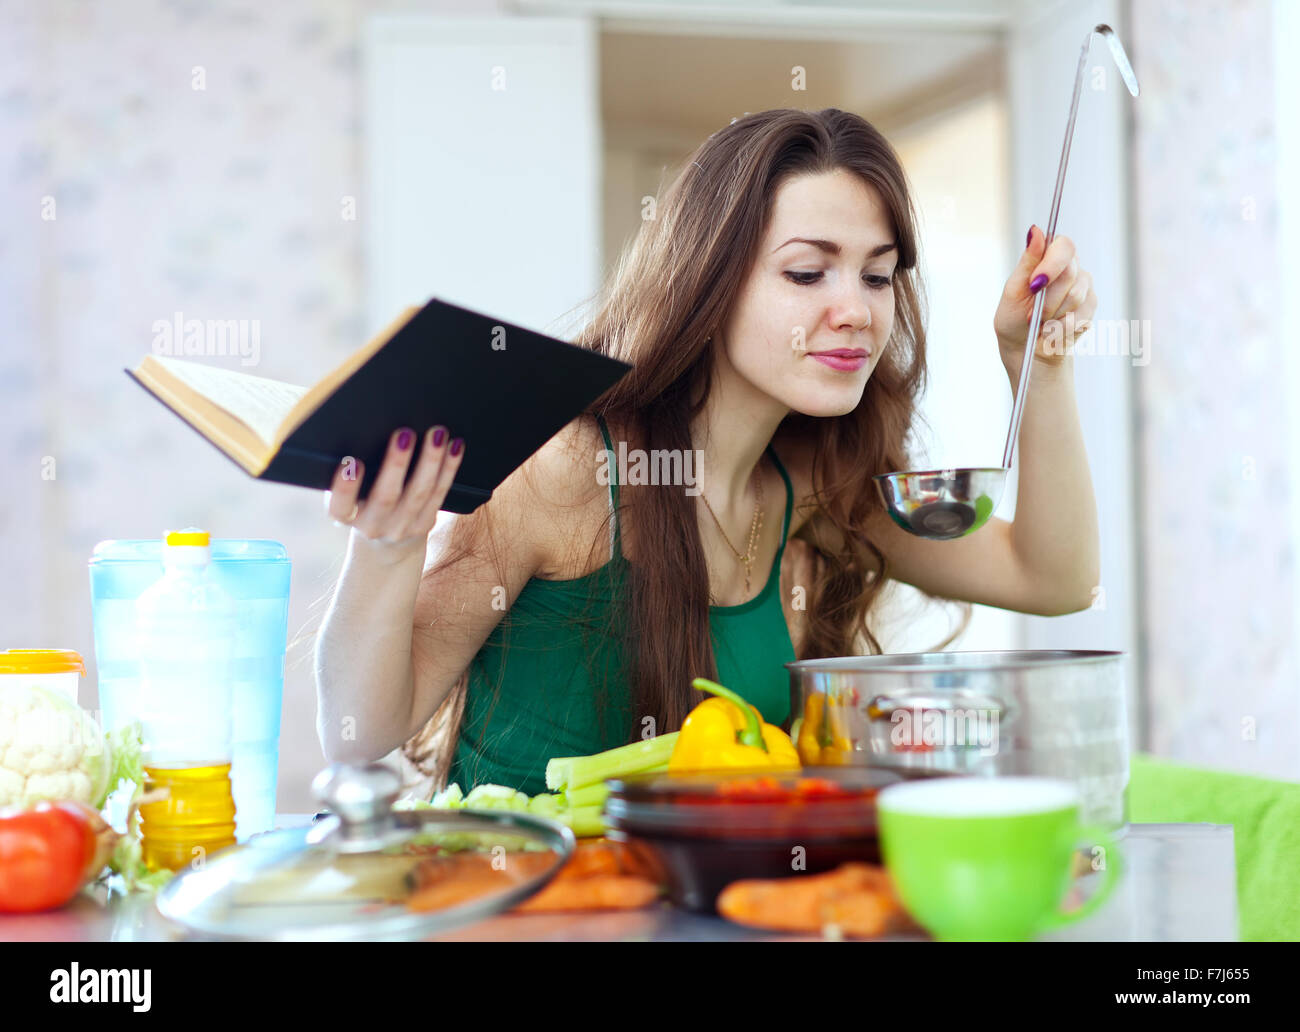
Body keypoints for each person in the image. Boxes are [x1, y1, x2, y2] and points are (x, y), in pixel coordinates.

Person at [314, 108, 1099, 796]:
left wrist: (1043, 365)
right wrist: (384, 552)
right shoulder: (561, 470)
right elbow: (357, 732)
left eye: (878, 275)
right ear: (707, 282)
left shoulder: (818, 488)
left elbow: (1054, 579)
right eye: (806, 271)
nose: (855, 310)